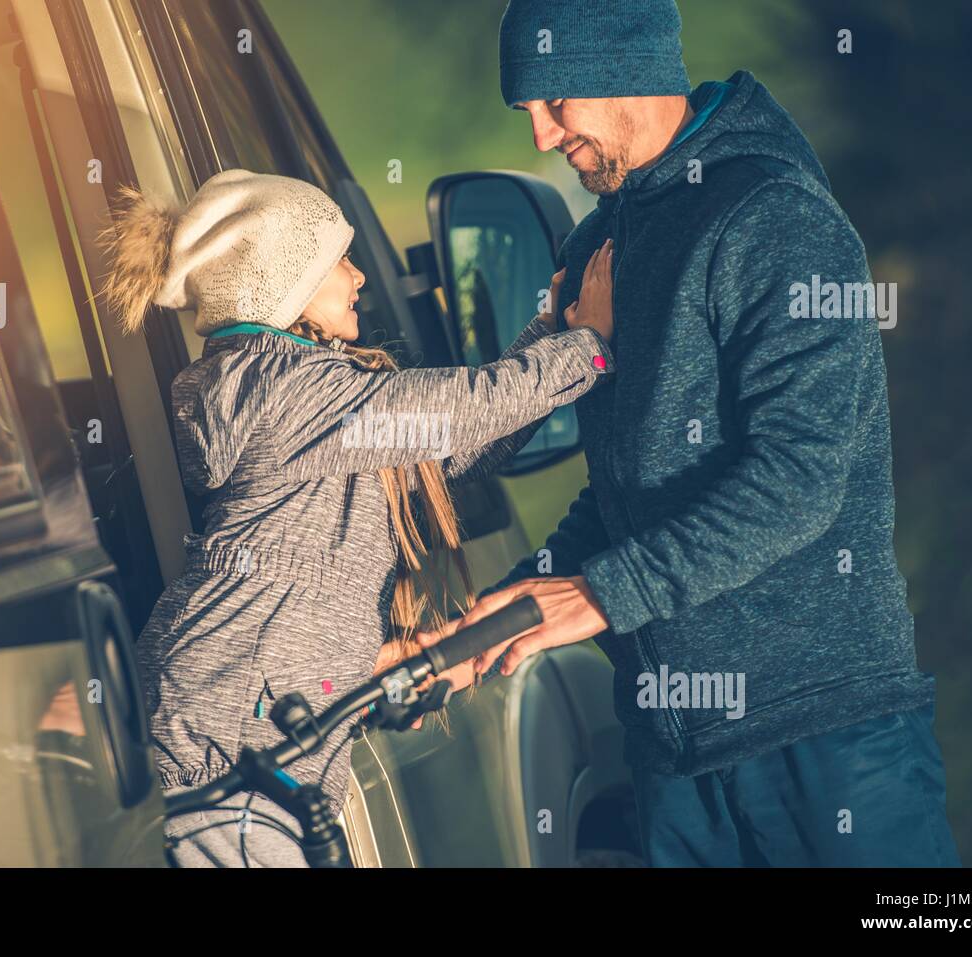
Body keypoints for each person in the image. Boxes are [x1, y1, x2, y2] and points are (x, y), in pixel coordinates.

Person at [423, 0, 960, 867]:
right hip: (675, 757)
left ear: (622, 67)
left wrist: (598, 595)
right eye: (528, 114)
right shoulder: (604, 241)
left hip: (824, 738)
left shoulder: (775, 220)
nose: (543, 139)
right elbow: (629, 496)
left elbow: (797, 481)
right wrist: (506, 615)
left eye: (556, 105)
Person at [101, 169, 614, 866]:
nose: (360, 276)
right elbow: (453, 414)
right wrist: (589, 346)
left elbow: (447, 448)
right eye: (339, 259)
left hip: (236, 729)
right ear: (288, 285)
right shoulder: (290, 392)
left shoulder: (284, 389)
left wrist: (552, 330)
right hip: (231, 742)